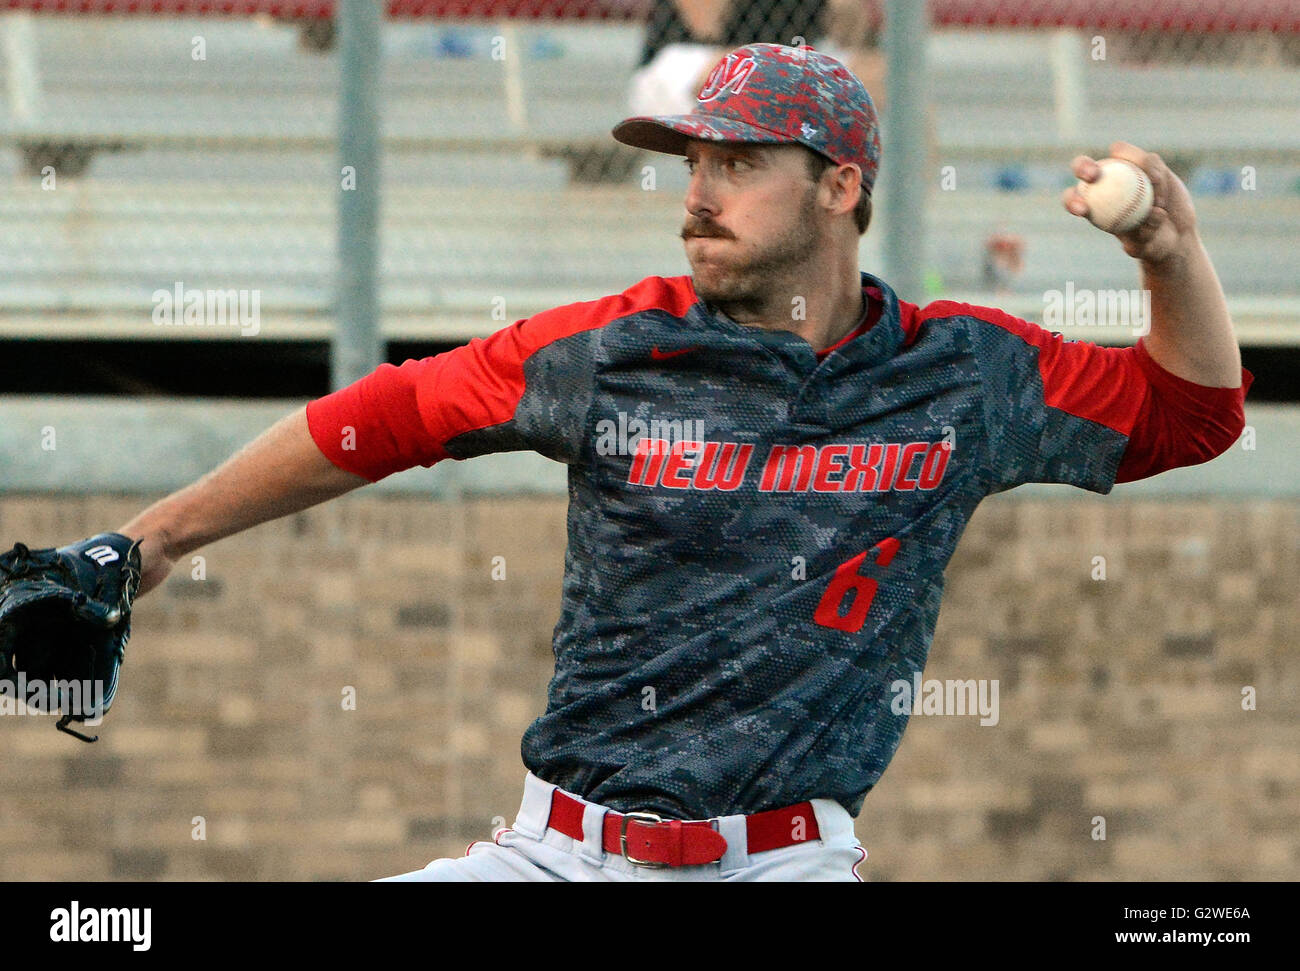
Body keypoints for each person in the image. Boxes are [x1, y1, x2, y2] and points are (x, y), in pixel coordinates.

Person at [109, 43, 1247, 881]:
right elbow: (383, 417)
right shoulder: (612, 350)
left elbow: (1191, 416)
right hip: (560, 852)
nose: (698, 195)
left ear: (840, 185)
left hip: (783, 862)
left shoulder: (960, 375)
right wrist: (148, 541)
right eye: (692, 159)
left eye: (739, 162)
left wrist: (1168, 254)